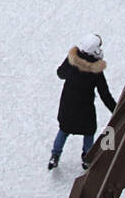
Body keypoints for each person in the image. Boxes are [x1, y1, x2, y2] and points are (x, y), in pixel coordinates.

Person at [49, 33, 117, 170]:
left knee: (64, 129)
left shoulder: (72, 60)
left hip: (68, 104)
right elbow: (104, 93)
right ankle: (87, 157)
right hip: (84, 108)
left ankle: (55, 155)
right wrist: (116, 110)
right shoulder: (95, 69)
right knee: (89, 131)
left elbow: (60, 73)